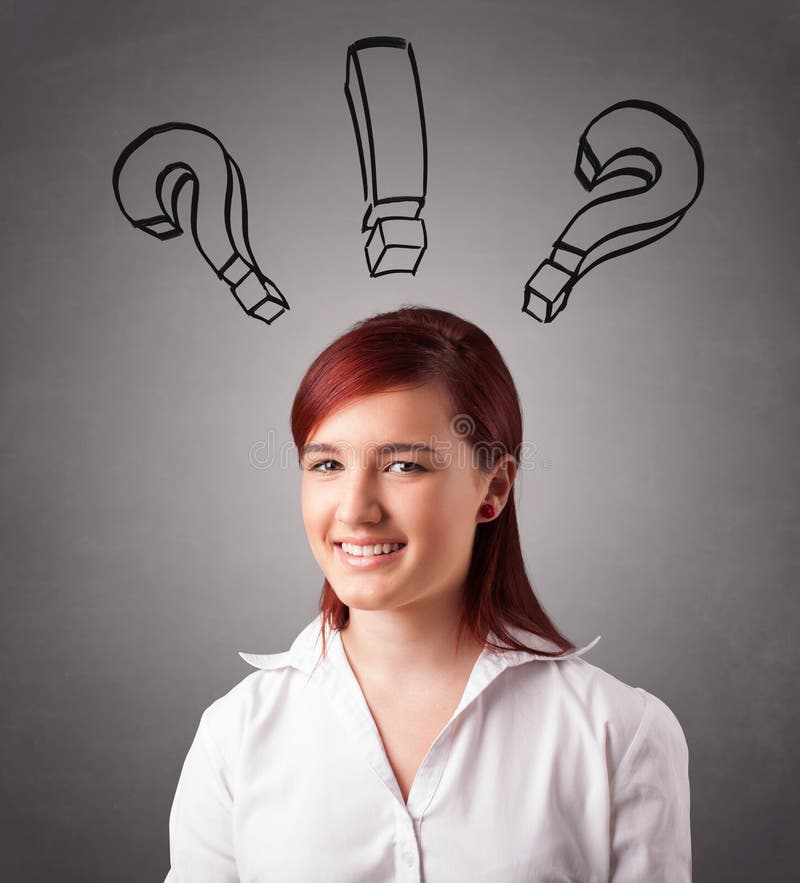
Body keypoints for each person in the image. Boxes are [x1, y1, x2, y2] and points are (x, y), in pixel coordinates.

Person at [164, 305, 691, 882]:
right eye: (328, 464)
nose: (355, 511)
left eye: (404, 466)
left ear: (493, 488)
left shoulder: (618, 733)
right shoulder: (236, 734)